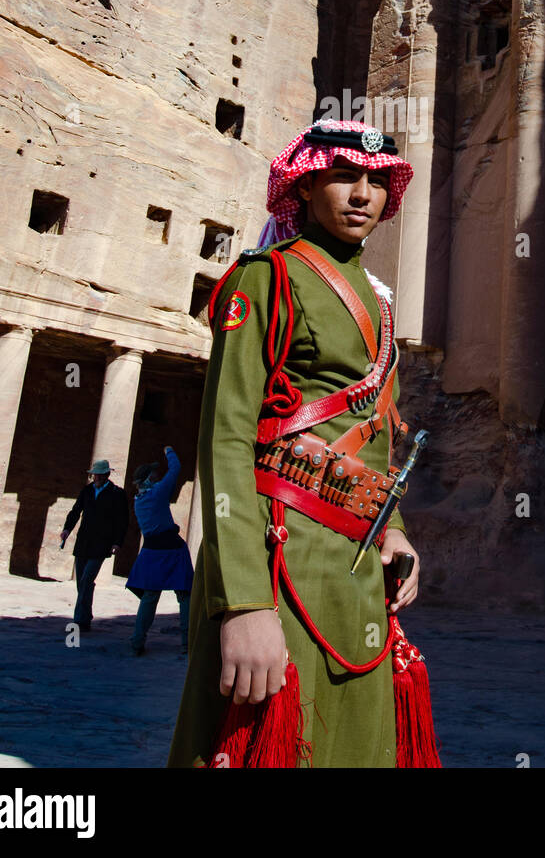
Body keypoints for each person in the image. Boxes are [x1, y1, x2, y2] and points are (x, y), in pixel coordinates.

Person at [168, 119, 430, 769]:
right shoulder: (264, 277)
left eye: (376, 181)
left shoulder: (380, 302)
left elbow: (376, 434)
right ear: (306, 188)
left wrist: (391, 525)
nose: (362, 193)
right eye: (344, 177)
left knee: (354, 742)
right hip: (275, 551)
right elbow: (226, 437)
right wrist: (244, 605)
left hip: (357, 561)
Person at [126, 446, 194, 656]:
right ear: (148, 479)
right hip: (172, 549)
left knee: (149, 596)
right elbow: (175, 470)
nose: (157, 475)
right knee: (184, 595)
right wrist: (169, 451)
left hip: (151, 551)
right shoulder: (157, 494)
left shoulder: (139, 501)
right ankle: (187, 643)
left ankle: (137, 642)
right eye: (153, 473)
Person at [61, 459, 129, 631]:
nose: (95, 477)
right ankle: (86, 618)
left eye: (98, 474)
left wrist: (117, 542)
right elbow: (76, 511)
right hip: (83, 542)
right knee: (82, 583)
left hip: (102, 543)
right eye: (94, 474)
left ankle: (78, 621)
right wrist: (67, 529)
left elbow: (122, 521)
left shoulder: (117, 493)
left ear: (106, 475)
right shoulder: (87, 491)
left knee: (86, 580)